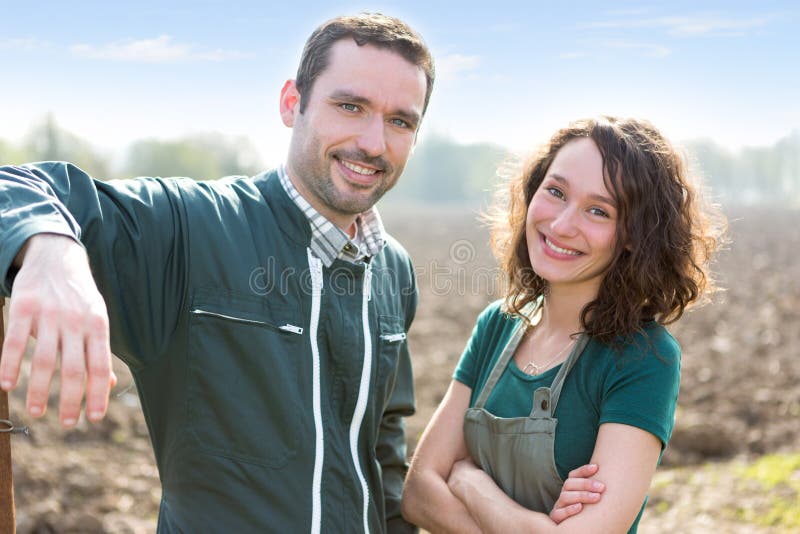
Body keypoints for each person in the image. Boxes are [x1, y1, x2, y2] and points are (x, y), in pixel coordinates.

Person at [0, 12, 434, 533]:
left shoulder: (394, 269)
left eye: (400, 121)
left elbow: (382, 450)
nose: (373, 142)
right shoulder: (191, 228)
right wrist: (50, 249)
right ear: (292, 103)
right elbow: (20, 186)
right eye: (350, 106)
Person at [401, 116, 723, 533]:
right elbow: (417, 495)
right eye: (555, 192)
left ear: (633, 236)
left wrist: (469, 481)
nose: (562, 224)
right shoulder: (497, 326)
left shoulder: (643, 358)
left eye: (598, 210)